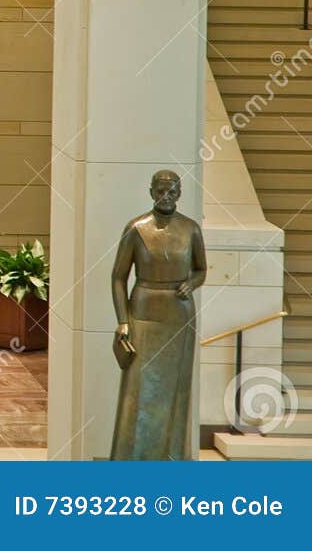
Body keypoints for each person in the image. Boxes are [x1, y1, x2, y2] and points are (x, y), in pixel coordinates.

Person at [109, 170, 207, 460]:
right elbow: (118, 277)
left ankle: (171, 457)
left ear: (180, 194)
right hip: (143, 312)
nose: (166, 197)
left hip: (179, 315)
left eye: (173, 191)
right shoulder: (136, 229)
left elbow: (201, 268)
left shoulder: (191, 229)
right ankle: (129, 459)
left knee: (176, 390)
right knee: (136, 390)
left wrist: (192, 283)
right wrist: (123, 322)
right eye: (161, 191)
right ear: (151, 192)